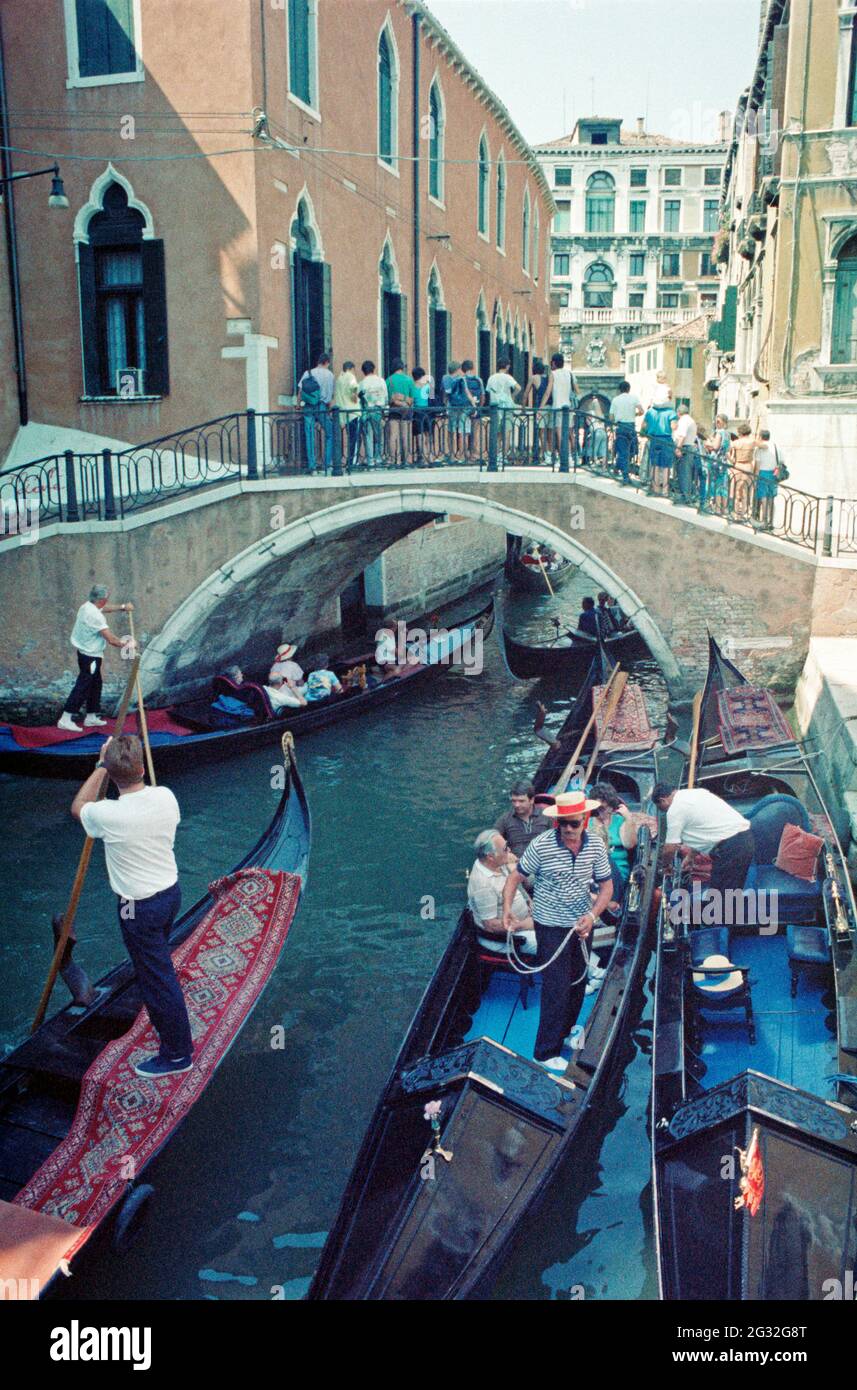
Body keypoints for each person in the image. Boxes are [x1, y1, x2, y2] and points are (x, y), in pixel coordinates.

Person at [71, 734, 193, 1079]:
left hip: (136, 909)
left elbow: (77, 807)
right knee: (156, 964)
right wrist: (114, 765)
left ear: (112, 773)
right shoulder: (166, 796)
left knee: (157, 978)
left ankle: (178, 1055)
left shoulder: (107, 814)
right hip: (171, 895)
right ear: (142, 766)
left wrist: (100, 766)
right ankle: (160, 998)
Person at [502, 790, 614, 1070]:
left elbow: (606, 887)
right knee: (556, 988)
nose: (568, 829)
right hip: (550, 924)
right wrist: (506, 909)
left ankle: (566, 1032)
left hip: (580, 924)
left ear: (585, 820)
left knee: (578, 980)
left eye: (574, 823)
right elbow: (516, 877)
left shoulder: (596, 847)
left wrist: (592, 915)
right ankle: (544, 1052)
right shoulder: (541, 846)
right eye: (562, 823)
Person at [653, 782, 755, 908]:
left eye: (661, 809)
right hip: (743, 840)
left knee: (722, 896)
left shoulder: (675, 810)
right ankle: (723, 920)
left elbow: (670, 848)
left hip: (732, 847)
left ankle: (720, 924)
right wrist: (690, 857)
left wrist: (665, 866)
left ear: (663, 800)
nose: (663, 812)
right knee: (727, 891)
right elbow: (703, 830)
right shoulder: (697, 793)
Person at [59, 585, 134, 732]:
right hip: (90, 656)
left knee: (96, 684)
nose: (107, 601)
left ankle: (91, 717)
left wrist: (123, 607)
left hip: (87, 653)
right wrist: (129, 644)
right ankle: (65, 719)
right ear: (102, 599)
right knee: (84, 685)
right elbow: (112, 640)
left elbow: (104, 608)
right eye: (106, 599)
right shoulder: (95, 616)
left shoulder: (87, 606)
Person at [468, 830, 536, 957]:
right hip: (508, 939)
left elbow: (516, 884)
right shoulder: (483, 885)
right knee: (554, 942)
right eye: (505, 848)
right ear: (490, 856)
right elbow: (490, 926)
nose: (509, 850)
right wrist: (524, 924)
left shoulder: (497, 863)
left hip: (526, 919)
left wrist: (528, 901)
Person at [298, 351, 335, 475]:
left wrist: (298, 405)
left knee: (309, 435)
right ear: (327, 362)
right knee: (330, 433)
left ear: (318, 362)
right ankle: (326, 464)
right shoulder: (330, 375)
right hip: (321, 406)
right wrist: (330, 409)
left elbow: (300, 391)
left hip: (308, 407)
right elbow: (330, 396)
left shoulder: (308, 373)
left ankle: (312, 466)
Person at [494, 780, 552, 856]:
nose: (516, 805)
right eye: (514, 801)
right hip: (516, 864)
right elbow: (493, 841)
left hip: (542, 861)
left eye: (521, 801)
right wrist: (506, 854)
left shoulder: (546, 816)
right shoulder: (504, 820)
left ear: (531, 800)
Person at [541, 352, 577, 465]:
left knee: (560, 434)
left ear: (554, 363)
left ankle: (563, 459)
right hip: (568, 407)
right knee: (569, 434)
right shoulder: (570, 374)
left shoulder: (553, 374)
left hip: (558, 407)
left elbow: (548, 392)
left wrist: (541, 407)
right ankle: (571, 458)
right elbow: (577, 390)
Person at [485, 359, 521, 463]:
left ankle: (495, 455)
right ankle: (503, 456)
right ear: (507, 366)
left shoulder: (491, 378)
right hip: (507, 407)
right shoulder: (507, 377)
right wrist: (512, 396)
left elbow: (488, 391)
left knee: (496, 432)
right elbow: (518, 388)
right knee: (507, 431)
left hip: (495, 407)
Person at [642, 396, 678, 497]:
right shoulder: (671, 412)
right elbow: (673, 427)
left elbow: (644, 425)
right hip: (666, 439)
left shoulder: (650, 411)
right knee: (666, 466)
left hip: (654, 439)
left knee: (655, 464)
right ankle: (665, 491)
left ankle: (655, 488)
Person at [608, 381, 642, 484]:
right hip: (631, 426)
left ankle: (619, 469)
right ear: (629, 389)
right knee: (633, 451)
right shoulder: (634, 398)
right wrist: (634, 415)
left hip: (620, 427)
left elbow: (611, 416)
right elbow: (641, 411)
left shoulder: (615, 400)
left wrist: (614, 423)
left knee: (623, 452)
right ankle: (625, 475)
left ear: (619, 389)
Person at [358, 360, 388, 468]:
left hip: (367, 410)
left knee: (368, 436)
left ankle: (370, 460)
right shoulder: (381, 381)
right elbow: (385, 397)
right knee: (379, 435)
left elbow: (359, 398)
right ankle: (378, 458)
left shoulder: (362, 383)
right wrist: (385, 412)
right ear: (373, 369)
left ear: (363, 371)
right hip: (378, 410)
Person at [385, 357, 415, 465]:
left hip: (394, 410)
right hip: (406, 410)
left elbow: (387, 399)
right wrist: (404, 399)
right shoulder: (409, 380)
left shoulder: (389, 380)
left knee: (393, 435)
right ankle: (406, 459)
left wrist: (396, 399)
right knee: (405, 436)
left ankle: (393, 459)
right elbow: (412, 399)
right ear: (402, 367)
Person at [334, 360, 361, 470]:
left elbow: (338, 398)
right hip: (353, 412)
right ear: (351, 369)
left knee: (350, 437)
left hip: (344, 413)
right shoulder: (350, 377)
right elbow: (354, 387)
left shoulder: (339, 380)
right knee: (355, 439)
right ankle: (352, 463)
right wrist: (355, 398)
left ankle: (348, 461)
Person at [729, 421, 756, 520]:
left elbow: (728, 453)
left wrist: (732, 460)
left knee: (736, 490)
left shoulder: (735, 442)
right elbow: (763, 446)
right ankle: (744, 513)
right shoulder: (752, 442)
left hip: (737, 465)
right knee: (745, 491)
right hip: (748, 466)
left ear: (740, 432)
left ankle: (736, 513)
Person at [754, 428, 779, 529]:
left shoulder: (760, 449)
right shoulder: (776, 446)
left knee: (763, 497)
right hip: (773, 473)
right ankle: (771, 521)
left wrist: (755, 477)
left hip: (763, 473)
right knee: (771, 498)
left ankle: (763, 521)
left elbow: (758, 464)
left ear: (760, 437)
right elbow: (781, 461)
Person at [673, 404, 698, 505]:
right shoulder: (691, 420)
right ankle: (687, 495)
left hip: (685, 448)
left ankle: (686, 497)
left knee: (684, 472)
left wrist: (678, 449)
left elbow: (682, 436)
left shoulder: (684, 421)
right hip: (689, 447)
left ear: (679, 412)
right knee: (686, 472)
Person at [460, 359, 485, 457]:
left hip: (465, 408)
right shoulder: (478, 379)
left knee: (464, 431)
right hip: (477, 407)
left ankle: (464, 453)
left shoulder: (462, 380)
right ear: (473, 368)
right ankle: (474, 453)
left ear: (463, 369)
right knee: (475, 431)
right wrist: (480, 407)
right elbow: (483, 395)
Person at [411, 366, 433, 462]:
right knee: (428, 434)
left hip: (417, 411)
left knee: (419, 434)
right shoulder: (428, 386)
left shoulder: (412, 386)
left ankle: (422, 456)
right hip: (428, 411)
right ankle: (430, 456)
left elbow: (411, 400)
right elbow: (432, 398)